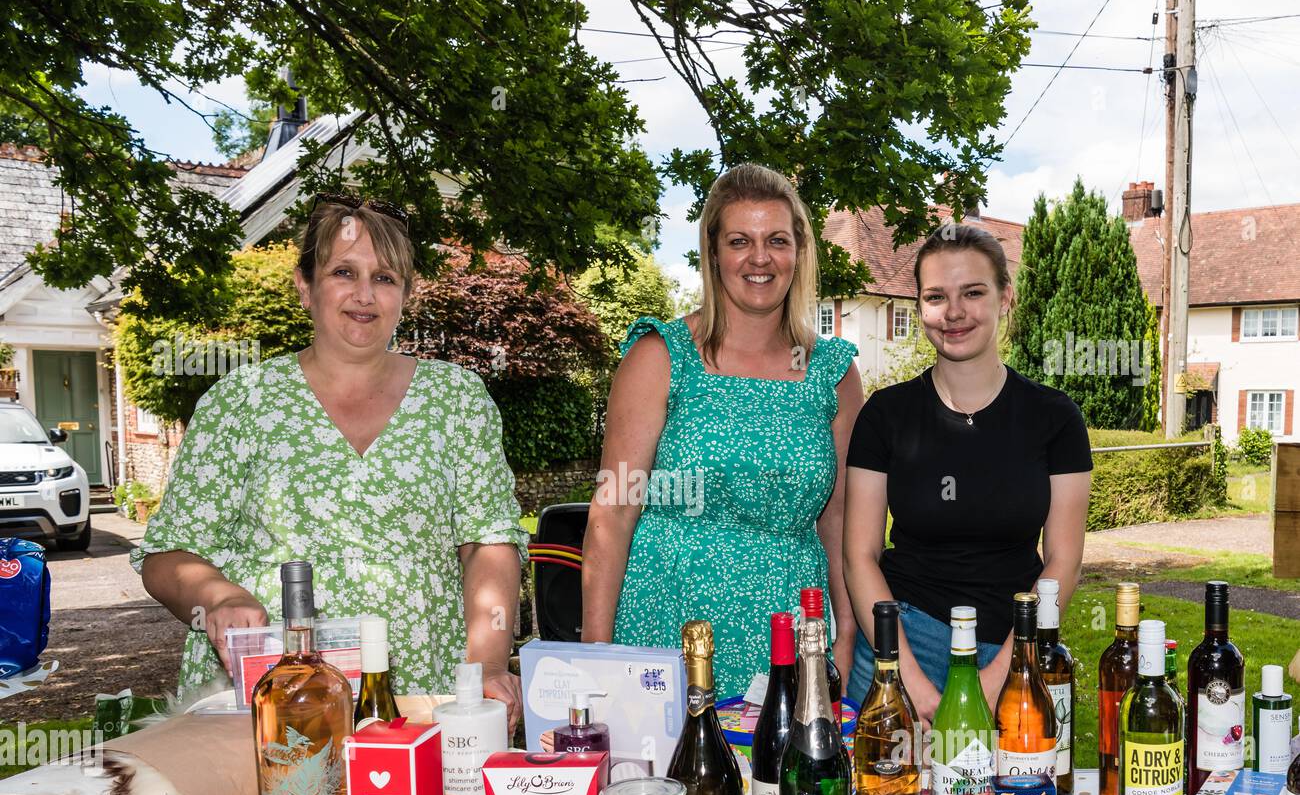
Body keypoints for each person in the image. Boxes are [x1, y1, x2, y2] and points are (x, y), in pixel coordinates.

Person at [134, 195, 528, 724]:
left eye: (386, 278)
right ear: (305, 286)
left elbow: (490, 541)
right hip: (276, 694)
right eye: (344, 272)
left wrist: (484, 671)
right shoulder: (242, 402)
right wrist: (217, 595)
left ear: (405, 295)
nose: (365, 295)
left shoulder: (456, 399)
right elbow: (166, 555)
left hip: (422, 695)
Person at [582, 163, 863, 700]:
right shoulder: (661, 357)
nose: (760, 258)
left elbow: (840, 519)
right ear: (713, 253)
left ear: (798, 251)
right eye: (740, 240)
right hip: (668, 620)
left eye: (777, 240)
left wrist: (844, 631)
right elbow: (613, 510)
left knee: (785, 781)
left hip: (790, 627)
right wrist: (597, 658)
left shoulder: (832, 371)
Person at [842, 223, 1092, 719]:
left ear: (1005, 298)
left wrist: (1003, 672)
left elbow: (1063, 562)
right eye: (936, 296)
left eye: (972, 292)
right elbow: (859, 557)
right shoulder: (885, 415)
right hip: (899, 649)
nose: (953, 312)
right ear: (919, 307)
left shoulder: (1055, 418)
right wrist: (909, 680)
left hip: (1014, 649)